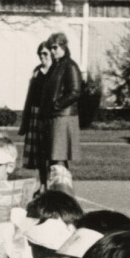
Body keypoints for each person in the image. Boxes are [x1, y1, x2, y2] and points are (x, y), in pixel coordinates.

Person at [39, 33, 82, 193]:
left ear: (64, 46)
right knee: (53, 160)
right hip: (54, 118)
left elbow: (75, 91)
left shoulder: (70, 66)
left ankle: (63, 196)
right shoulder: (57, 66)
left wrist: (55, 105)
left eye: (55, 47)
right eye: (51, 47)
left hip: (63, 118)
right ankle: (57, 195)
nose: (52, 50)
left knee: (58, 160)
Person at [19, 43, 53, 187]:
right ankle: (43, 183)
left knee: (50, 152)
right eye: (40, 54)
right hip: (35, 113)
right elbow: (30, 95)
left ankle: (52, 184)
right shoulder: (37, 71)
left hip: (49, 115)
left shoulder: (56, 71)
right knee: (39, 153)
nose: (42, 57)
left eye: (45, 54)